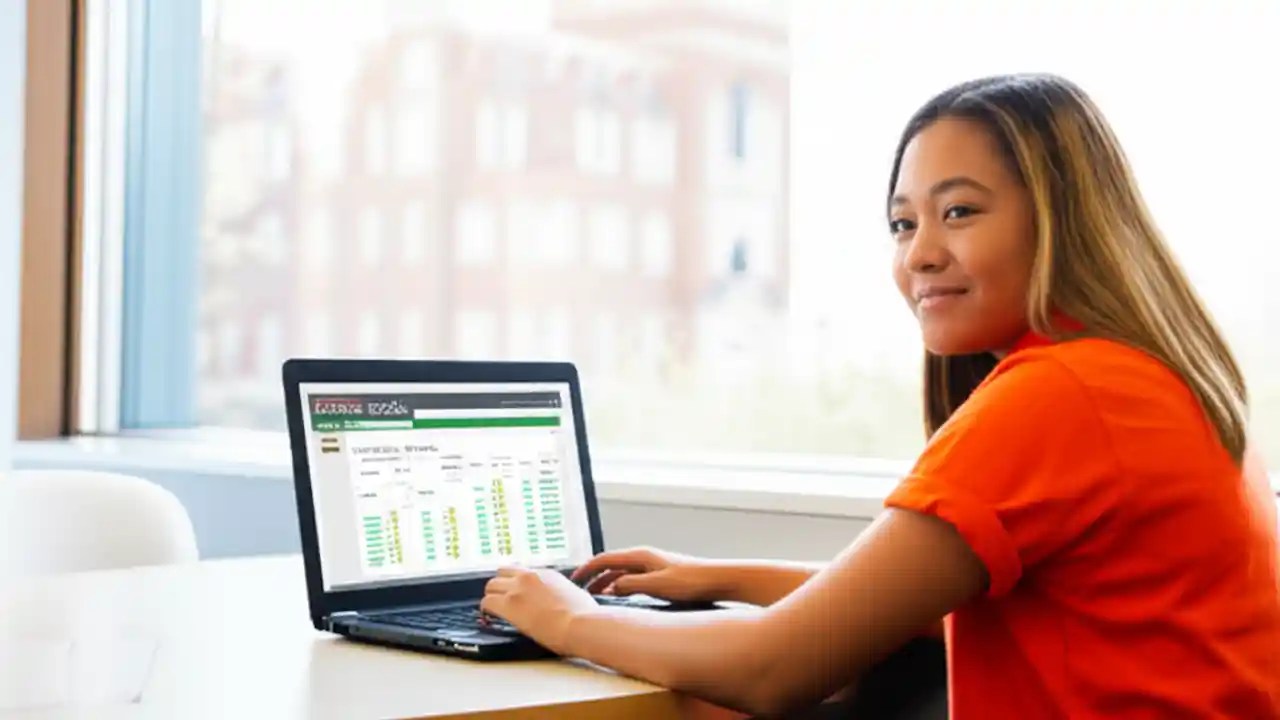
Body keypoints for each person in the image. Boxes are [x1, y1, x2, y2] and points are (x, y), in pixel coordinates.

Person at [481, 74, 1280, 718]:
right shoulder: (1151, 375)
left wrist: (566, 618)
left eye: (959, 212)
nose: (921, 254)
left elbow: (773, 670)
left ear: (1064, 220)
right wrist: (713, 574)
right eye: (902, 225)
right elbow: (927, 604)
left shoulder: (1060, 392)